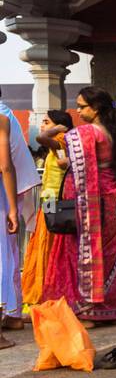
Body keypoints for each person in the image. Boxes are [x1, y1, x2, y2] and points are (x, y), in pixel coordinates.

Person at [38, 87, 116, 329]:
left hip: (91, 202)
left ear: (96, 108)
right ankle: (110, 309)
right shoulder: (114, 132)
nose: (77, 111)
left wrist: (56, 128)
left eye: (81, 106)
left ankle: (89, 309)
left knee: (84, 252)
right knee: (109, 255)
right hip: (112, 199)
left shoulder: (88, 133)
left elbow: (44, 141)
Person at [20, 110, 73, 309]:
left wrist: (55, 131)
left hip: (54, 200)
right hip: (50, 198)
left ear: (59, 124)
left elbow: (40, 138)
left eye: (46, 121)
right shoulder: (60, 142)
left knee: (47, 244)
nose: (42, 125)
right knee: (44, 243)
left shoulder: (59, 139)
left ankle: (45, 290)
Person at [0, 94, 39, 349]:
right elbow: (5, 166)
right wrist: (13, 208)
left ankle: (11, 315)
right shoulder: (3, 118)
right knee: (3, 256)